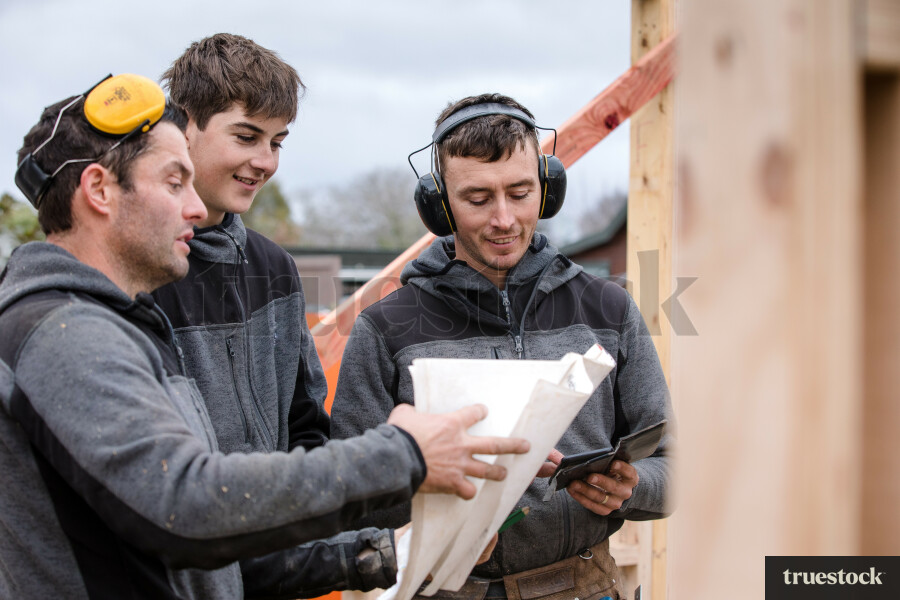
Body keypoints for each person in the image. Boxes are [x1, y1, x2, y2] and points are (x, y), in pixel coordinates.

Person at [0, 76, 529, 599]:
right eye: (172, 182)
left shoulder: (117, 325)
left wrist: (389, 553)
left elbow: (216, 553)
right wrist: (403, 455)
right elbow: (189, 509)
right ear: (98, 190)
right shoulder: (63, 334)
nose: (193, 208)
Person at [331, 94, 674, 600]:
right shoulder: (386, 329)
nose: (504, 219)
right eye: (477, 199)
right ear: (439, 204)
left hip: (587, 589)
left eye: (520, 192)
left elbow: (672, 465)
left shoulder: (610, 309)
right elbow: (349, 496)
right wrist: (441, 510)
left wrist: (632, 486)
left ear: (547, 188)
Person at [149, 33, 397, 596]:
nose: (265, 162)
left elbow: (304, 427)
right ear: (184, 124)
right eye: (246, 136)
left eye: (278, 141)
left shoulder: (275, 268)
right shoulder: (140, 272)